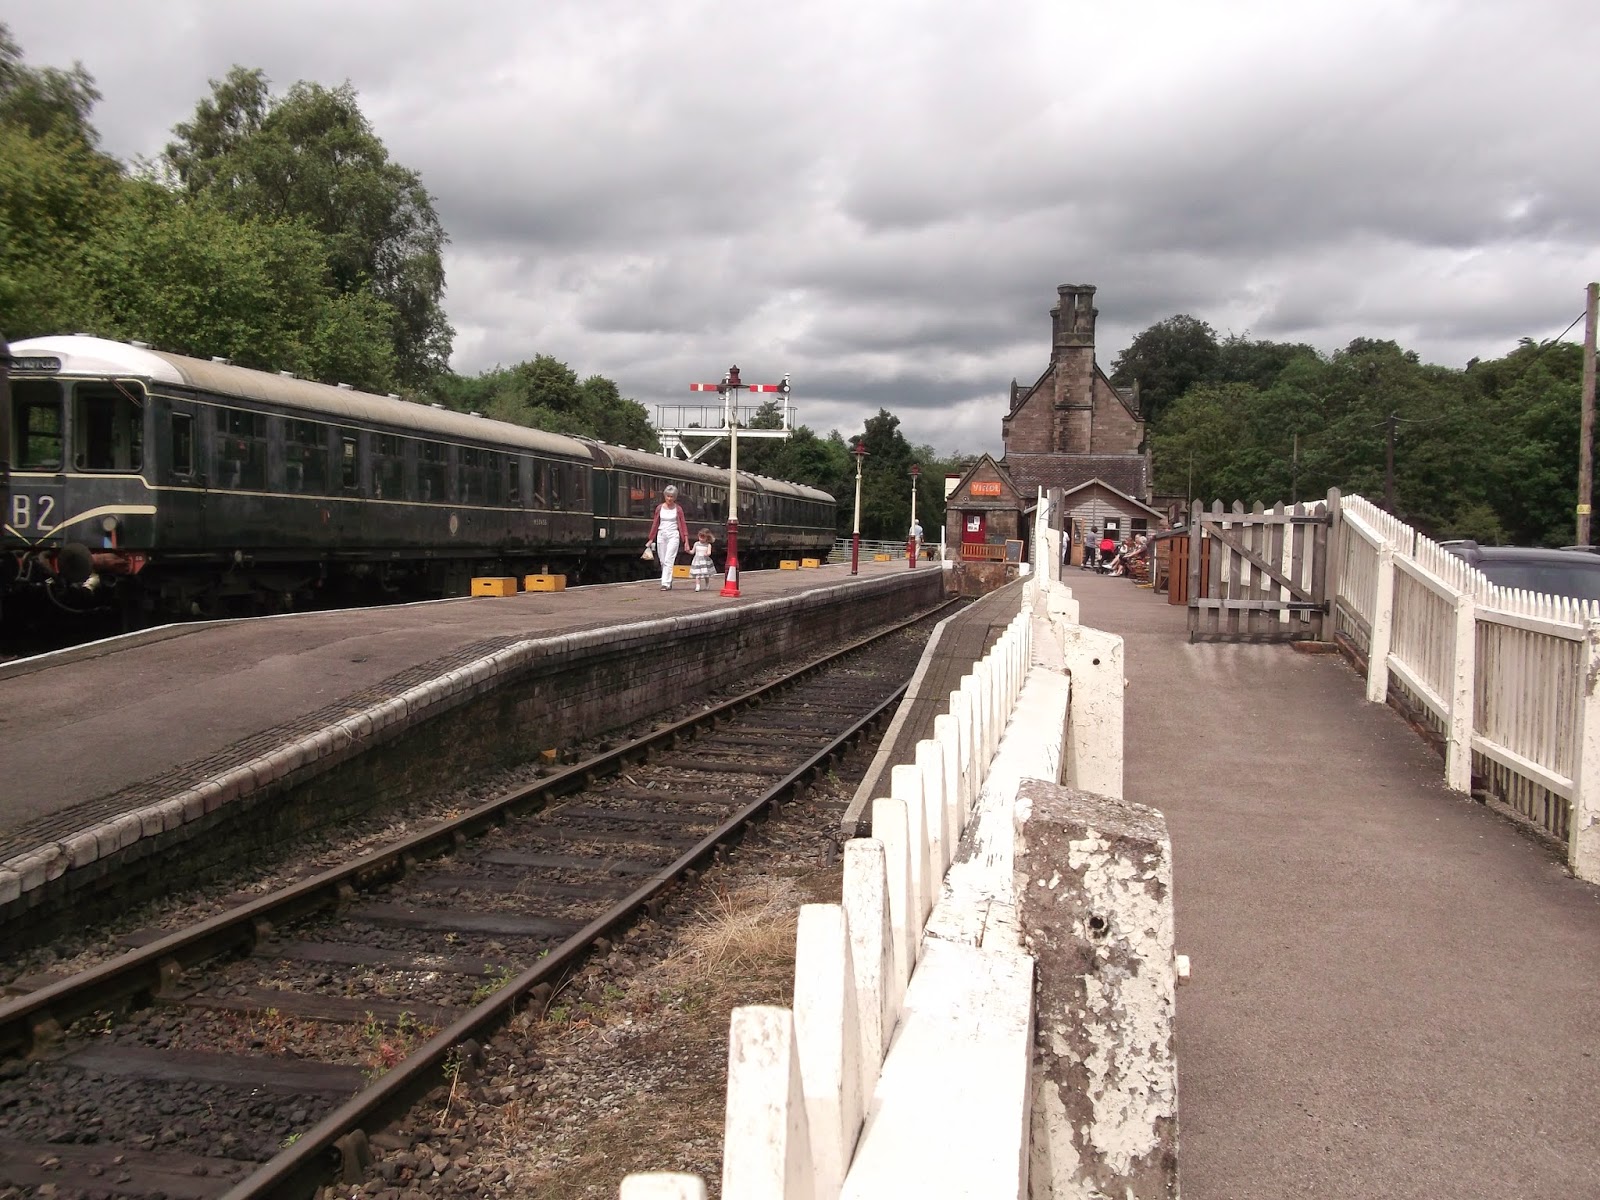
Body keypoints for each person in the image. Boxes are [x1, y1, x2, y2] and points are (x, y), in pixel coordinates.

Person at [647, 484, 690, 589]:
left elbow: (683, 524)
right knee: (662, 560)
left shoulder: (678, 509)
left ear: (675, 498)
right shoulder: (659, 508)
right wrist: (651, 538)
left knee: (668, 559)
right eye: (668, 496)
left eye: (672, 496)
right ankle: (669, 580)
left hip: (673, 535)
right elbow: (655, 523)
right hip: (661, 535)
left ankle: (665, 583)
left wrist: (686, 540)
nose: (669, 498)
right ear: (664, 496)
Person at [690, 528, 715, 592]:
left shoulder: (708, 545)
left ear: (707, 537)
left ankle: (707, 584)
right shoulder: (696, 544)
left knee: (706, 574)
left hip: (705, 561)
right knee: (698, 574)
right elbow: (692, 552)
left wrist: (707, 554)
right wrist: (688, 551)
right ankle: (697, 586)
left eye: (703, 537)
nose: (701, 539)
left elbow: (709, 552)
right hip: (697, 561)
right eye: (700, 537)